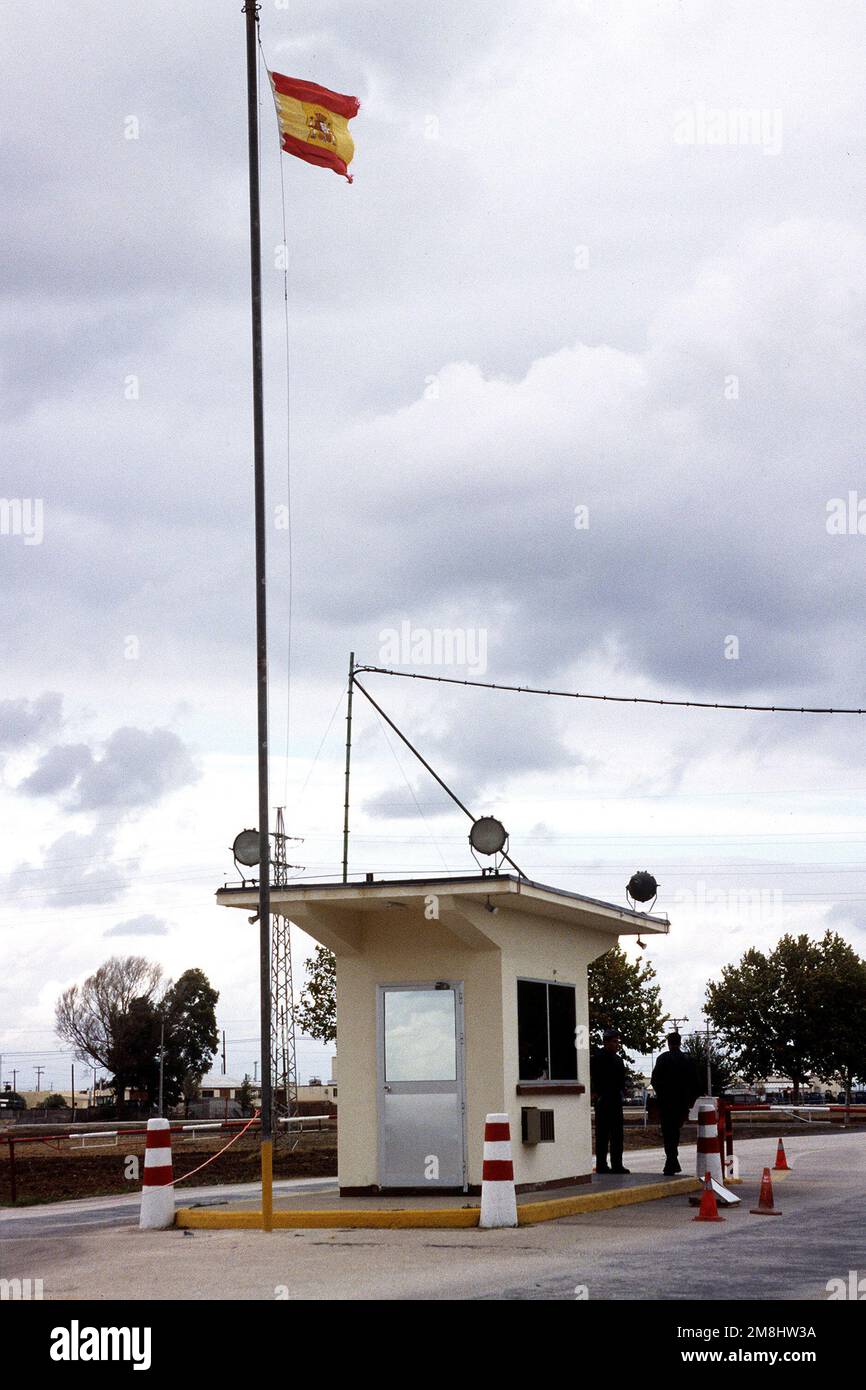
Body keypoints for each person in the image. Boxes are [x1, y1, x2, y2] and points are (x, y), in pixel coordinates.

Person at [650, 1032, 701, 1175]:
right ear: (680, 1042)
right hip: (682, 1102)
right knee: (676, 1131)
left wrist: (662, 1093)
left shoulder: (662, 1059)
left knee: (668, 1132)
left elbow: (654, 1081)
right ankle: (672, 1160)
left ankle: (671, 1159)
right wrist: (690, 1099)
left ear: (668, 1043)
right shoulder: (688, 1060)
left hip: (666, 1102)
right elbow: (696, 1083)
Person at [591, 1028, 630, 1174]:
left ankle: (617, 1164)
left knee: (617, 1135)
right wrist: (595, 1093)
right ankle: (601, 1164)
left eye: (617, 1042)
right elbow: (594, 1078)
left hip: (615, 1100)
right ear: (605, 1042)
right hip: (603, 1100)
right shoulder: (598, 1058)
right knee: (602, 1135)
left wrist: (623, 1091)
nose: (616, 1045)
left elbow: (621, 1081)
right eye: (614, 1042)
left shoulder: (618, 1060)